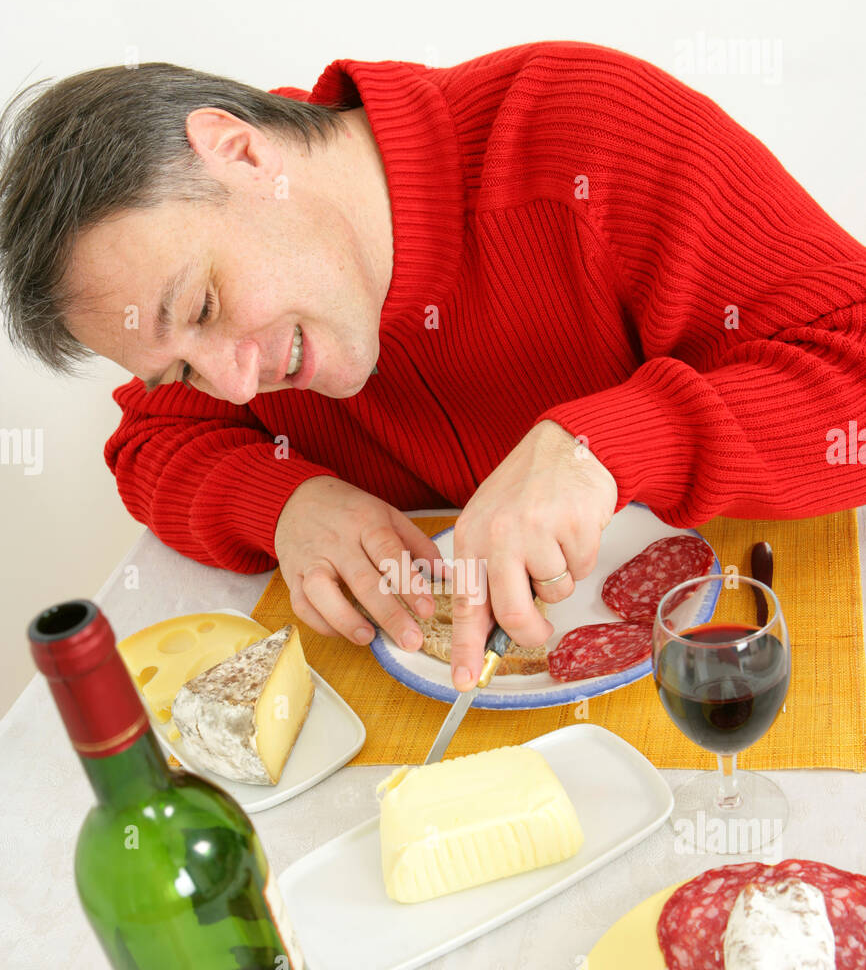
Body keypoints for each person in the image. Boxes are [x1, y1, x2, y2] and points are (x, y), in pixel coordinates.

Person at [1, 41, 865, 692]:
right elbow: (150, 446)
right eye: (180, 369)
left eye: (200, 309)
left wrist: (603, 445)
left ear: (239, 153)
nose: (234, 386)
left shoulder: (592, 129)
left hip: (739, 676)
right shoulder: (227, 355)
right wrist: (284, 502)